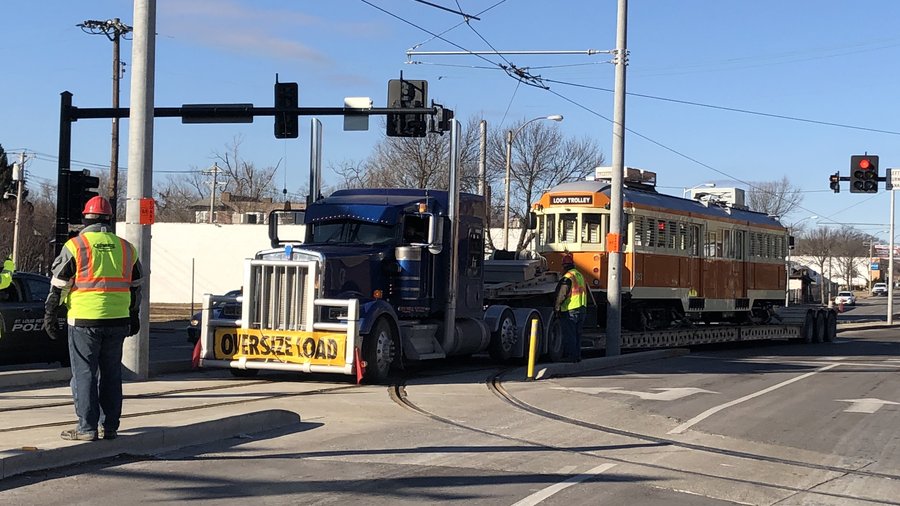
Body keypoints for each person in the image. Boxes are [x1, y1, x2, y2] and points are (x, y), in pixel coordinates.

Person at [44, 196, 143, 442]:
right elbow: (136, 285)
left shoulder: (76, 246)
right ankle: (109, 427)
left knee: (85, 373)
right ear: (109, 219)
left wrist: (50, 312)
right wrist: (133, 314)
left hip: (84, 319)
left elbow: (59, 284)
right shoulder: (126, 247)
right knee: (111, 373)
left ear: (85, 218)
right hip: (118, 319)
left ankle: (87, 428)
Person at [554, 252, 587, 363]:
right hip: (582, 308)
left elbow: (562, 294)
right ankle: (577, 356)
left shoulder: (568, 277)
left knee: (570, 335)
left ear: (564, 266)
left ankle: (571, 357)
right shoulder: (579, 275)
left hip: (570, 309)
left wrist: (557, 307)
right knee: (577, 335)